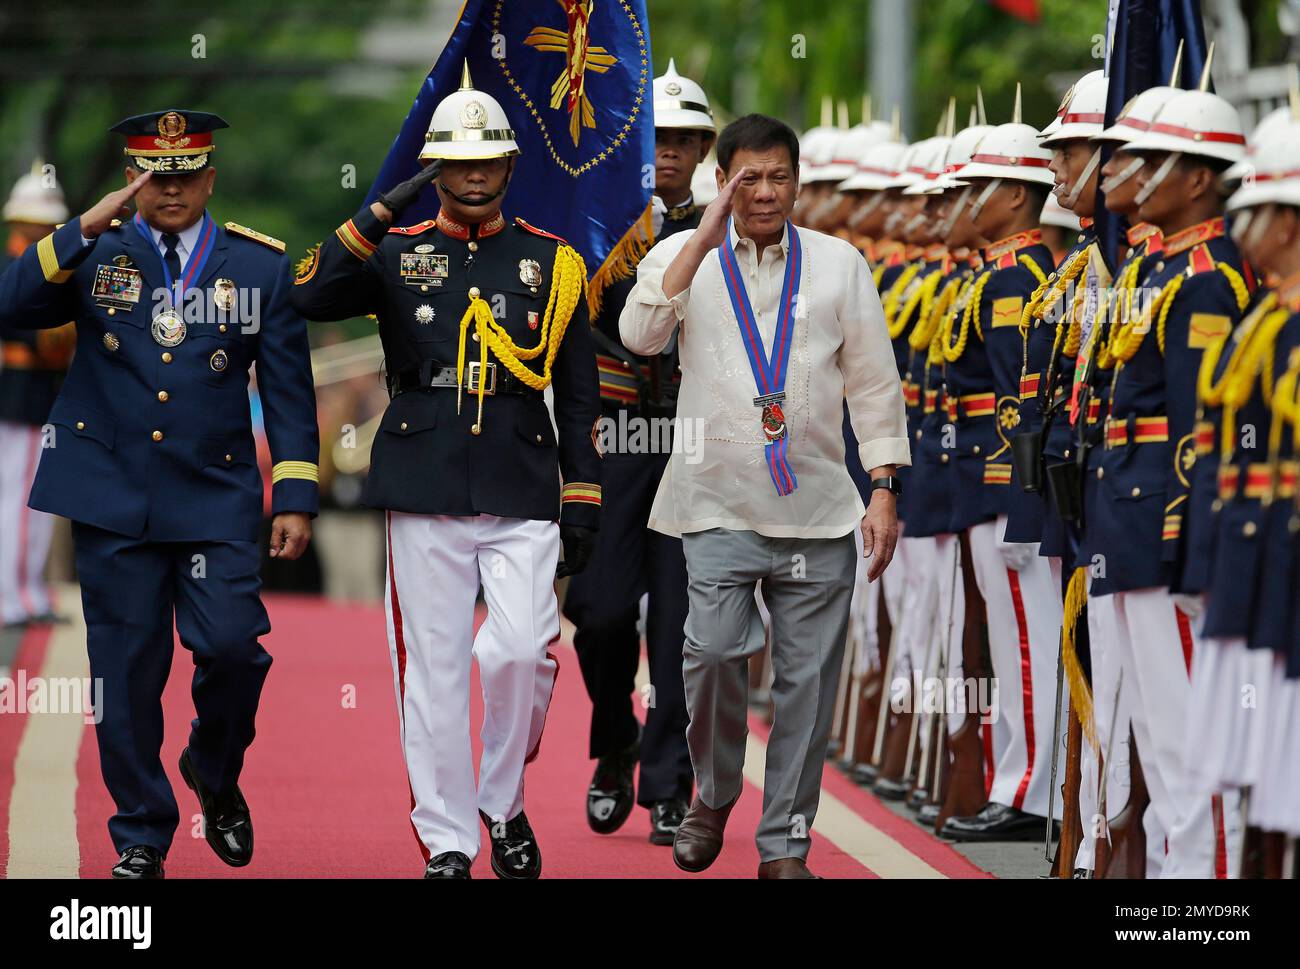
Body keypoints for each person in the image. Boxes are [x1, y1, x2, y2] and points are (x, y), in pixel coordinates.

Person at [290, 65, 602, 880]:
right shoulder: (396, 250)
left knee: (522, 649)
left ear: (507, 168)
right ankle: (450, 838)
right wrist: (382, 204)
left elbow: (575, 389)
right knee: (430, 669)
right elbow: (311, 292)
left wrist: (584, 492)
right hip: (423, 476)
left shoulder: (552, 261)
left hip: (520, 474)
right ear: (435, 168)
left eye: (486, 159)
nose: (472, 173)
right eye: (455, 160)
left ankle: (503, 801)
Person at [0, 109, 320, 879]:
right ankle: (142, 832)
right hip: (114, 497)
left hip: (213, 494)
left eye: (183, 175)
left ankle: (213, 764)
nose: (169, 189)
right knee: (125, 676)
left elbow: (287, 392)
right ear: (129, 180)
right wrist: (82, 224)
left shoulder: (257, 267)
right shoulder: (93, 250)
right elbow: (10, 303)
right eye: (152, 175)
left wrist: (297, 495)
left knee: (233, 648)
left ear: (209, 178)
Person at [620, 113, 910, 878]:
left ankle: (784, 842)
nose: (765, 192)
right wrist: (698, 244)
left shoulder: (842, 265)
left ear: (798, 183)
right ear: (722, 183)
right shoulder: (683, 259)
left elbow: (876, 385)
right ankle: (712, 793)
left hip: (817, 510)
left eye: (780, 177)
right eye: (748, 177)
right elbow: (641, 334)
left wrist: (882, 487)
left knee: (805, 686)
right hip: (714, 502)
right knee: (710, 653)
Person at [1087, 86, 1252, 877]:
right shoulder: (1159, 268)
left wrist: (1190, 540)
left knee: (1188, 732)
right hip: (1126, 510)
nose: (1134, 175)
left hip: (1164, 524)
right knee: (1153, 725)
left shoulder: (1209, 278)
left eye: (1152, 161)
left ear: (1198, 177)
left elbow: (1198, 429)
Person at [564, 59, 713, 846]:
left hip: (690, 437)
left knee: (683, 625)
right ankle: (613, 737)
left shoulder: (721, 227)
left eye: (686, 140)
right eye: (658, 138)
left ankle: (668, 778)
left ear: (704, 150)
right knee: (600, 609)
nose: (671, 152)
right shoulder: (594, 223)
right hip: (617, 433)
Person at [930, 118, 1062, 841]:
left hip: (1003, 486)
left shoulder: (1017, 279)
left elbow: (1020, 402)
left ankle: (1032, 791)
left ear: (1016, 193)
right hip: (979, 484)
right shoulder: (998, 273)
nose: (969, 200)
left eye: (981, 187)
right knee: (1010, 645)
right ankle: (1018, 779)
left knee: (1025, 646)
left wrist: (1019, 502)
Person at [0, 162, 74, 627]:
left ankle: (28, 592)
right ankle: (14, 597)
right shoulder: (14, 270)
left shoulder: (45, 270)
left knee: (35, 498)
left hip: (39, 394)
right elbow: (30, 334)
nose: (47, 230)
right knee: (19, 498)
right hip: (18, 394)